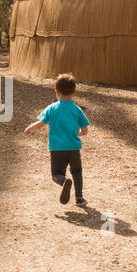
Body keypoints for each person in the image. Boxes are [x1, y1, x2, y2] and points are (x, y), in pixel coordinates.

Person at [23, 72, 90, 206]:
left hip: (56, 148)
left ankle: (63, 181)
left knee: (56, 174)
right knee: (77, 172)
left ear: (56, 91)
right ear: (74, 92)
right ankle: (79, 198)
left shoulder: (51, 108)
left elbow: (40, 123)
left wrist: (30, 128)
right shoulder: (77, 109)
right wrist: (77, 135)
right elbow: (85, 131)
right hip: (73, 148)